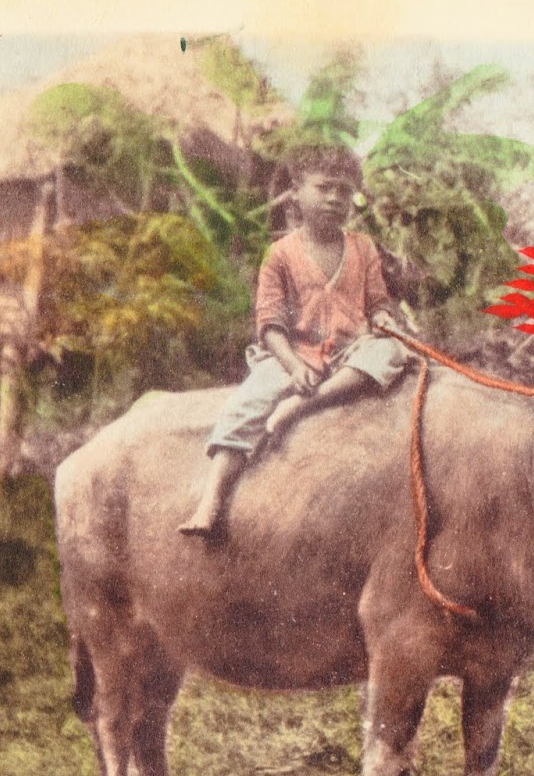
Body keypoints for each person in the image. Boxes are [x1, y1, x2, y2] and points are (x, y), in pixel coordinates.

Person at [178, 147, 415, 537]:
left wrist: (384, 319)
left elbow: (377, 302)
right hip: (294, 353)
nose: (335, 199)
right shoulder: (280, 254)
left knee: (392, 351)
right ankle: (211, 498)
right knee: (245, 404)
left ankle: (303, 404)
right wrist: (292, 365)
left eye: (344, 191)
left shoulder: (362, 247)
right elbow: (270, 324)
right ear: (297, 193)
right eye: (323, 188)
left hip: (349, 354)